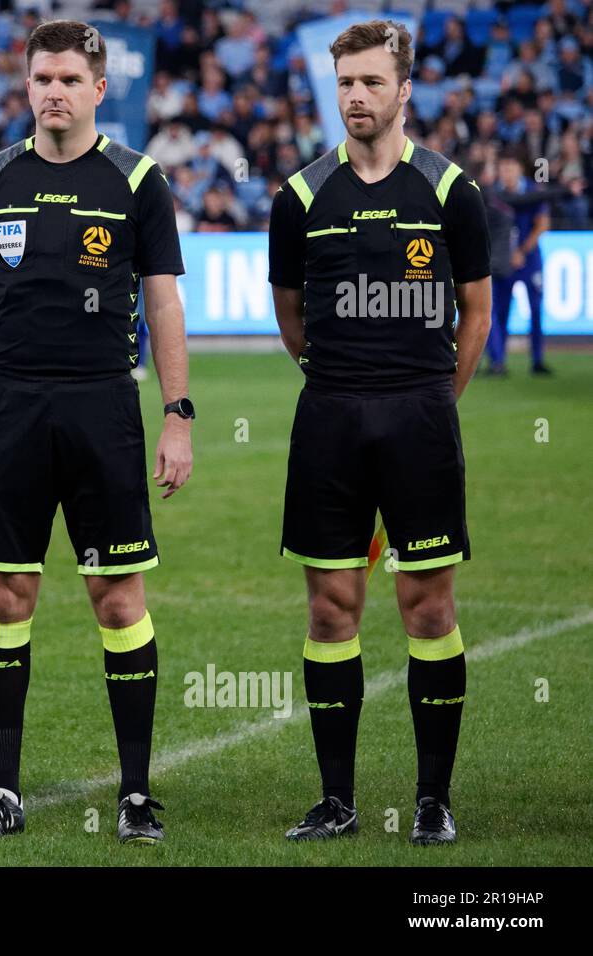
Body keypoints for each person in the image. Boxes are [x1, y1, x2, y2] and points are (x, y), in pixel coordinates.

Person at [0, 19, 191, 844]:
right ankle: (2, 793)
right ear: (28, 85)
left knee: (117, 599)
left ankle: (137, 794)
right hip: (9, 406)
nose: (53, 92)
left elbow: (165, 305)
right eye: (42, 79)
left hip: (104, 406)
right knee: (7, 592)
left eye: (70, 80)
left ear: (99, 89)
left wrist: (177, 416)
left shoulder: (138, 180)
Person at [268, 21, 492, 845]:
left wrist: (435, 397)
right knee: (332, 608)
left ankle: (433, 799)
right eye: (345, 83)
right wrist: (339, 383)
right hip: (329, 417)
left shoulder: (448, 192)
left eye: (371, 81)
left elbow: (476, 312)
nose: (356, 96)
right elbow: (291, 317)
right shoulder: (299, 197)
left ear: (405, 91)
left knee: (426, 605)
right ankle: (337, 799)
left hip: (419, 418)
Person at [485, 151, 553, 376]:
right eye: (503, 169)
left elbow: (542, 224)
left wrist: (522, 251)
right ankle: (498, 362)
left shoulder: (534, 192)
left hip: (529, 259)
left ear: (520, 169)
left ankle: (537, 360)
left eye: (510, 168)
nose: (506, 173)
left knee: (535, 309)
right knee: (501, 310)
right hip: (504, 262)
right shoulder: (495, 193)